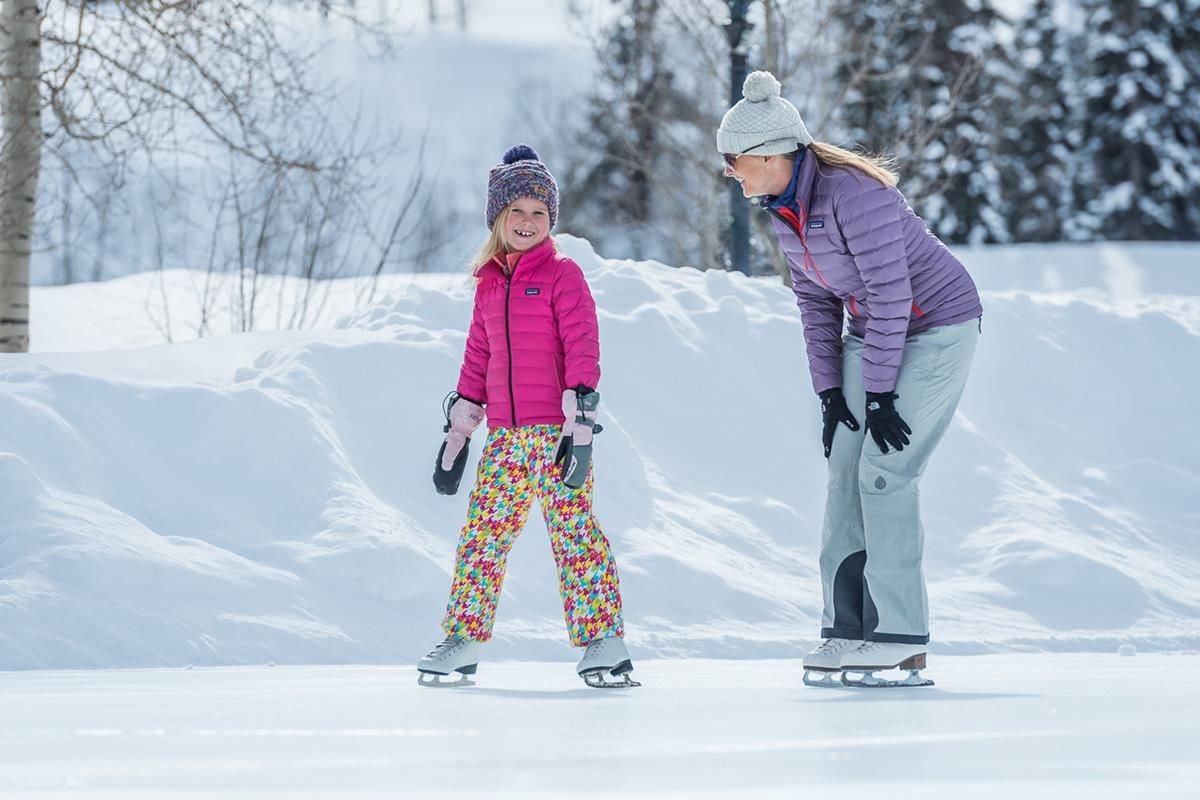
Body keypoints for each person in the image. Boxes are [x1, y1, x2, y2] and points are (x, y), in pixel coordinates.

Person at [717, 72, 983, 687]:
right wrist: (831, 391)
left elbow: (894, 294)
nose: (730, 172)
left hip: (937, 327)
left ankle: (900, 638)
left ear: (769, 154)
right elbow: (815, 305)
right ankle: (848, 631)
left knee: (885, 476)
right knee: (844, 472)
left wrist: (883, 392)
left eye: (734, 160)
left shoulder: (854, 194)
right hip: (876, 335)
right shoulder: (782, 211)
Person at [417, 144, 637, 689]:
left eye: (540, 212)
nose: (528, 221)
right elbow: (478, 355)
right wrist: (461, 429)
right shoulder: (489, 283)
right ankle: (463, 639)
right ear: (498, 216)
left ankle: (604, 641)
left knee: (574, 533)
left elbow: (583, 345)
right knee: (482, 537)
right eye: (517, 210)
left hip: (557, 434)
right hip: (506, 438)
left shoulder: (563, 275)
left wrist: (580, 417)